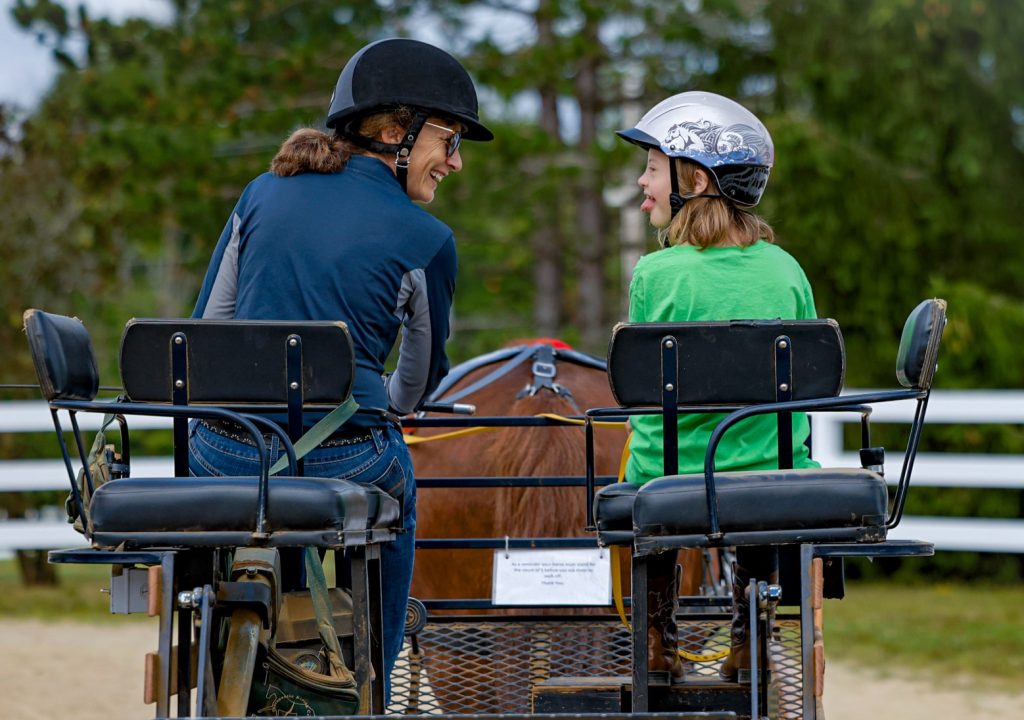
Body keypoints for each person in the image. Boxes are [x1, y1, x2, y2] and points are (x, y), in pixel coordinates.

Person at [188, 37, 493, 692]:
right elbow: (412, 390)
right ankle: (371, 680)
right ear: (395, 130)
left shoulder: (261, 194)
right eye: (451, 139)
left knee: (281, 485)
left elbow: (207, 333)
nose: (456, 162)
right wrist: (355, 393)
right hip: (346, 458)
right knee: (395, 486)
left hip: (225, 454)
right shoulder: (428, 241)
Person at [616, 91, 818, 684]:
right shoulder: (786, 269)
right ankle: (751, 637)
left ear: (694, 179)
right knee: (755, 478)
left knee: (652, 488)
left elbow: (638, 386)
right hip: (771, 469)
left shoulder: (655, 272)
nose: (640, 181)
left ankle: (655, 640)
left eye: (651, 168)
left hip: (671, 473)